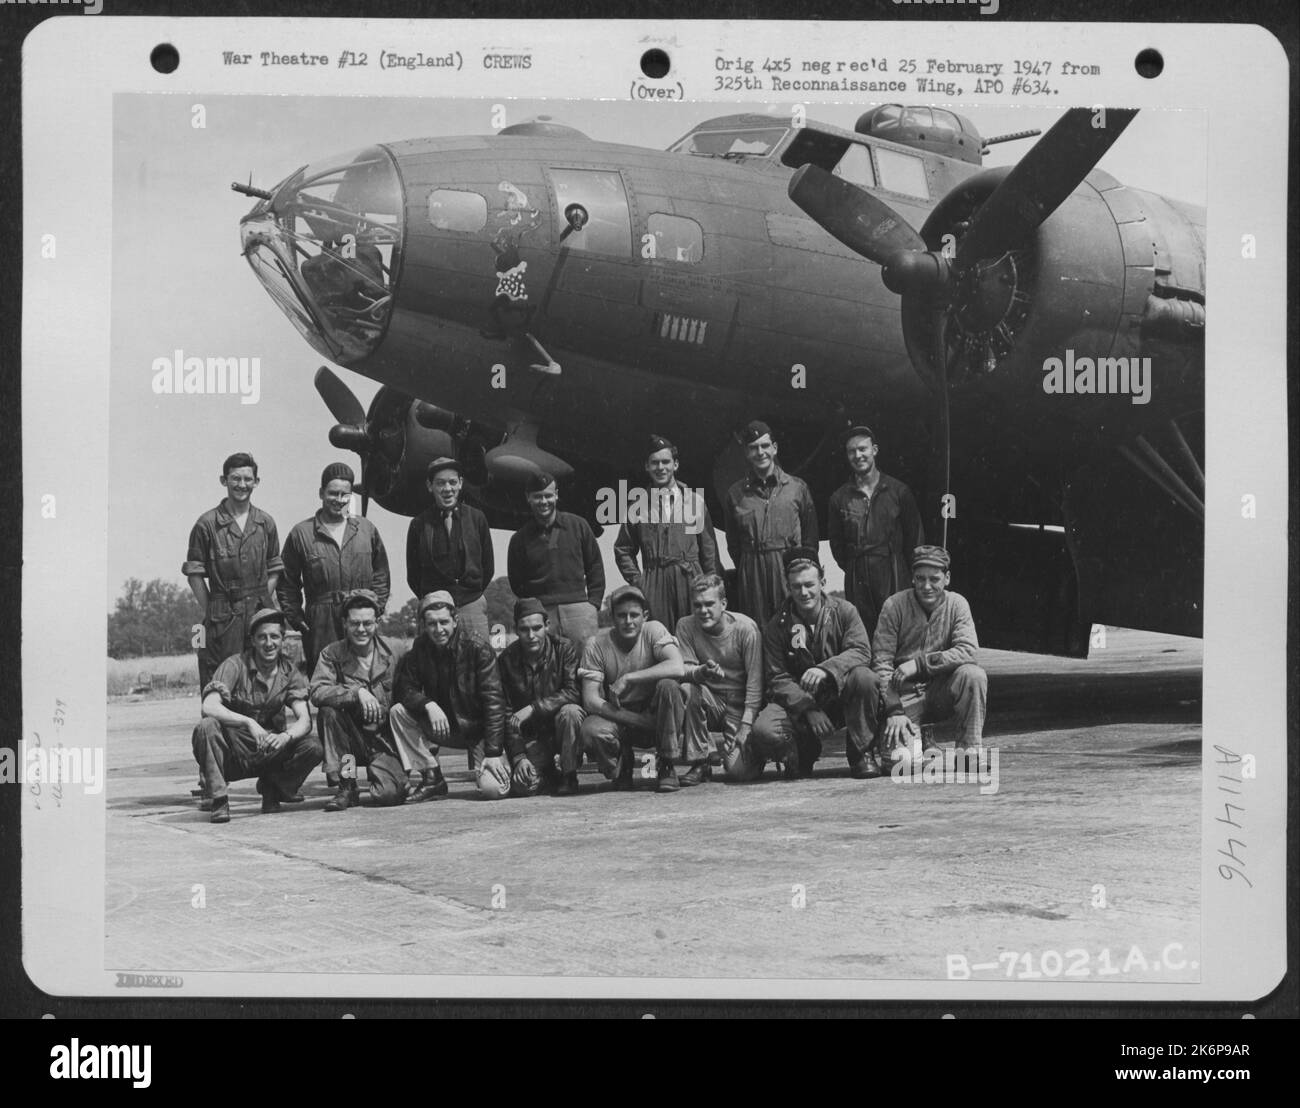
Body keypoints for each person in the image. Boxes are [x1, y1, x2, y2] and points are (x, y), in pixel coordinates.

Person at [748, 548, 880, 780]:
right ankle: (803, 752)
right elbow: (777, 678)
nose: (804, 592)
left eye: (810, 584)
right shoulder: (777, 626)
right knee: (764, 730)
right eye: (796, 586)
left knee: (865, 678)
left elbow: (861, 651)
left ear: (822, 582)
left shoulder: (844, 611)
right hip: (800, 704)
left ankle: (861, 752)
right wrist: (808, 708)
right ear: (788, 587)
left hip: (841, 696)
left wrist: (825, 669)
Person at [191, 609, 321, 823]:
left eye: (274, 636)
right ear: (252, 640)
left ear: (283, 639)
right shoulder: (234, 665)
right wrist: (247, 722)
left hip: (269, 750)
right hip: (234, 752)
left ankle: (274, 786)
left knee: (313, 747)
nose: (268, 643)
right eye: (262, 637)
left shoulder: (290, 672)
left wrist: (285, 737)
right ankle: (219, 799)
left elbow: (305, 720)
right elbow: (209, 705)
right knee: (207, 726)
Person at [389, 591, 512, 800]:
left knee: (493, 789)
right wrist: (428, 704)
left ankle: (495, 765)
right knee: (397, 712)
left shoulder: (478, 648)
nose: (438, 630)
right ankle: (432, 777)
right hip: (443, 726)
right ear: (424, 625)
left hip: (477, 731)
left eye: (444, 622)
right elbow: (404, 689)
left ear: (455, 621)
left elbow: (495, 704)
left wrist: (492, 753)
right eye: (432, 624)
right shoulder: (420, 648)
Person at [872, 546, 988, 766]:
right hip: (904, 695)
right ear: (912, 579)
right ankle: (912, 739)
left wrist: (919, 664)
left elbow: (968, 650)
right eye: (920, 578)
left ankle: (969, 753)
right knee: (902, 765)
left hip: (939, 691)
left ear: (947, 578)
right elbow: (881, 662)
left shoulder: (957, 604)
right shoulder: (894, 605)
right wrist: (893, 709)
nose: (927, 586)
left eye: (934, 579)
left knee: (973, 675)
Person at [278, 462, 391, 676]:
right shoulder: (301, 533)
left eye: (344, 495)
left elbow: (381, 574)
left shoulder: (366, 529)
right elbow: (287, 581)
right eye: (333, 493)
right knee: (326, 682)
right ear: (321, 493)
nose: (339, 500)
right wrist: (296, 617)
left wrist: (376, 609)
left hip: (359, 616)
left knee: (365, 675)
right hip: (321, 620)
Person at [183, 452, 283, 688]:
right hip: (222, 616)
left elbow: (275, 568)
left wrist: (261, 599)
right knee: (222, 679)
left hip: (260, 614)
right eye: (235, 479)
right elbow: (195, 575)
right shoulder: (207, 524)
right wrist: (213, 611)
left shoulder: (265, 523)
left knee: (265, 677)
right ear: (223, 480)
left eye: (248, 479)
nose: (242, 485)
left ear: (256, 482)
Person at [577, 585, 687, 793]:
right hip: (620, 716)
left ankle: (667, 764)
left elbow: (677, 667)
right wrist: (636, 720)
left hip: (656, 715)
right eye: (622, 615)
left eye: (634, 615)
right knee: (591, 730)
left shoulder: (654, 629)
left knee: (670, 687)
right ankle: (621, 761)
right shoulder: (596, 644)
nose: (628, 621)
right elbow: (590, 700)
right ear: (611, 617)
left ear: (644, 616)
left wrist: (629, 678)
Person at [309, 589, 408, 812]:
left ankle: (385, 772)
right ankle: (348, 784)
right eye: (354, 623)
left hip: (385, 739)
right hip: (351, 740)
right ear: (344, 623)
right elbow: (317, 691)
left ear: (376, 622)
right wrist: (355, 693)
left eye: (367, 623)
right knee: (329, 712)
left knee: (389, 795)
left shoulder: (396, 650)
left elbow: (414, 689)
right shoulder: (332, 653)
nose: (361, 629)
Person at [613, 434, 720, 633]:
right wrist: (638, 581)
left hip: (691, 578)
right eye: (654, 463)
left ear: (675, 465)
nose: (660, 467)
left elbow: (709, 548)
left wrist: (711, 581)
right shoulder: (638, 507)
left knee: (697, 635)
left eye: (665, 462)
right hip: (654, 581)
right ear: (647, 466)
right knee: (661, 638)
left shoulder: (694, 501)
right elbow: (623, 549)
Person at [827, 426, 924, 639]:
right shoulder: (839, 498)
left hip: (894, 572)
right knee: (863, 634)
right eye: (852, 451)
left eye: (863, 449)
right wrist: (856, 565)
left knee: (899, 633)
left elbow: (915, 539)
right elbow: (837, 547)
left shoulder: (899, 492)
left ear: (875, 450)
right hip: (858, 577)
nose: (858, 455)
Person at [723, 420, 818, 628]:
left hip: (788, 569)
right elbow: (734, 544)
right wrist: (749, 568)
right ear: (747, 453)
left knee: (794, 627)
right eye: (753, 448)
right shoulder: (736, 494)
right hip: (752, 571)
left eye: (765, 446)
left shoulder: (797, 488)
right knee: (757, 629)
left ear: (774, 448)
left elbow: (810, 539)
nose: (760, 452)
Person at [674, 574, 763, 786]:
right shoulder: (685, 626)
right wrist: (701, 671)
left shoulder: (745, 628)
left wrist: (746, 726)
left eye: (709, 604)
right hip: (709, 697)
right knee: (686, 688)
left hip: (738, 703)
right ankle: (701, 761)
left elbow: (755, 682)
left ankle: (754, 753)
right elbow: (683, 669)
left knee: (739, 773)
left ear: (723, 604)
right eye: (697, 605)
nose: (703, 611)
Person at [496, 598, 586, 797]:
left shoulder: (564, 649)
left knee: (570, 712)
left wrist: (534, 708)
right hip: (531, 738)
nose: (531, 635)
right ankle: (549, 774)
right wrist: (519, 756)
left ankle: (569, 775)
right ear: (515, 629)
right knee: (523, 788)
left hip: (561, 729)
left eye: (536, 628)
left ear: (547, 626)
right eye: (524, 629)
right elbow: (506, 712)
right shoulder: (506, 660)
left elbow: (573, 692)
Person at [507, 473, 604, 652]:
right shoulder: (519, 539)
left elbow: (595, 566)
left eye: (548, 495)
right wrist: (536, 608)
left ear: (556, 495)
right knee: (548, 670)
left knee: (587, 667)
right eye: (537, 496)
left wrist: (593, 604)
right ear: (528, 498)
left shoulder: (579, 526)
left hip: (579, 610)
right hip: (543, 614)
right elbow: (516, 582)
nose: (543, 501)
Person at [406, 457, 494, 645]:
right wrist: (433, 600)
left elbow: (488, 566)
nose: (447, 489)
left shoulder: (477, 518)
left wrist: (469, 593)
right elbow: (413, 575)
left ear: (460, 484)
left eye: (452, 482)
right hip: (434, 609)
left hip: (471, 605)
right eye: (440, 483)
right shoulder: (418, 524)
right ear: (430, 486)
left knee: (479, 662)